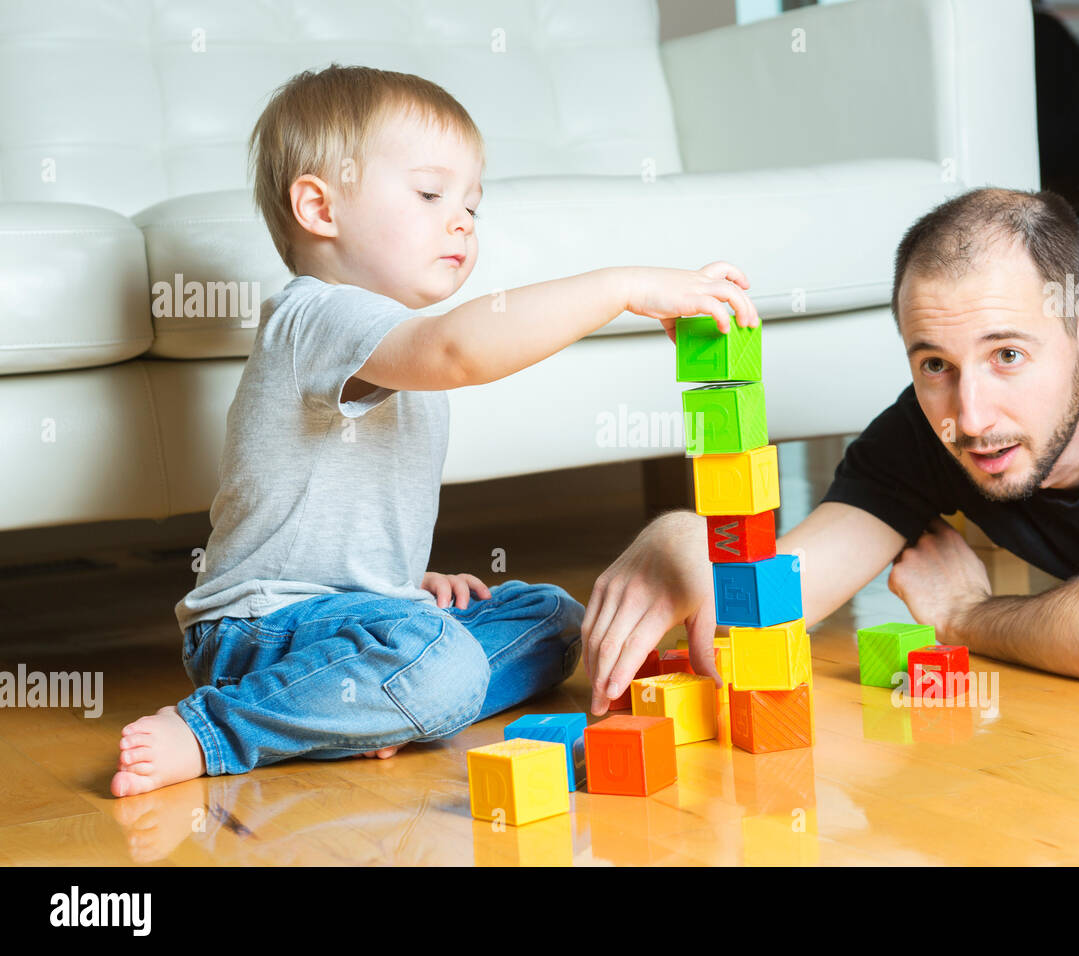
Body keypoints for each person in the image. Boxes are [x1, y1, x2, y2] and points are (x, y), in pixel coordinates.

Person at [111, 64, 758, 797]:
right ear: (319, 208)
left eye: (471, 206)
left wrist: (399, 586)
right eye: (429, 194)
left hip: (348, 619)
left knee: (553, 619)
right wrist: (623, 287)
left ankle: (369, 711)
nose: (461, 221)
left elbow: (334, 521)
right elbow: (462, 349)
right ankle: (216, 729)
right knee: (439, 659)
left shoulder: (390, 342)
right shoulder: (317, 315)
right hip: (257, 634)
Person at [583, 187, 1079, 711]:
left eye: (1008, 355)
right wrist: (686, 541)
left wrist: (964, 617)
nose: (972, 416)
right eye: (934, 364)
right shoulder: (926, 431)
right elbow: (762, 615)